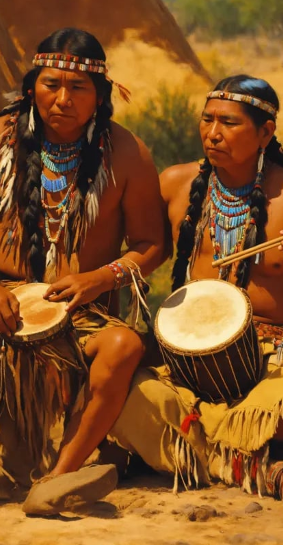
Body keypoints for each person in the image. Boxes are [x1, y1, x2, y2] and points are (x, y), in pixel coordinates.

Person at [0, 27, 169, 515]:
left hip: (81, 315)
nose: (62, 99)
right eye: (50, 85)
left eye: (78, 88)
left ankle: (58, 478)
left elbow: (152, 246)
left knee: (125, 345)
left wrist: (101, 278)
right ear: (30, 88)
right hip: (1, 302)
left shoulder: (127, 154)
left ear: (101, 95)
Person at [109, 75, 283, 499]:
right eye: (207, 120)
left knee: (273, 407)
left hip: (271, 356)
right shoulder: (175, 184)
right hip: (185, 359)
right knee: (122, 393)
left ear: (265, 132)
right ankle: (241, 463)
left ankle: (199, 456)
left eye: (229, 122)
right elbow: (146, 250)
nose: (213, 133)